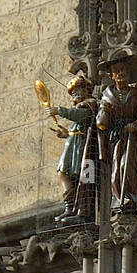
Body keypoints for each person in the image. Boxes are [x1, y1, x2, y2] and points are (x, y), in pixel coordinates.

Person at [96, 49, 137, 214]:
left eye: (123, 70)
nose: (120, 73)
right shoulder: (107, 96)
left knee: (128, 166)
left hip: (134, 137)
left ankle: (134, 196)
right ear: (112, 76)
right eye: (116, 71)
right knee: (117, 169)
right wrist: (105, 111)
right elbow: (101, 124)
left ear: (127, 72)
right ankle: (121, 197)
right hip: (117, 137)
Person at [49, 73, 98, 222]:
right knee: (65, 174)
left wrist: (59, 110)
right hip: (74, 146)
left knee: (75, 176)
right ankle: (70, 208)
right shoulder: (81, 107)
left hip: (82, 150)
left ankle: (76, 209)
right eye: (72, 93)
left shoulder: (89, 105)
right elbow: (78, 128)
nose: (74, 95)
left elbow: (83, 117)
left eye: (77, 91)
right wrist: (66, 133)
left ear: (86, 90)